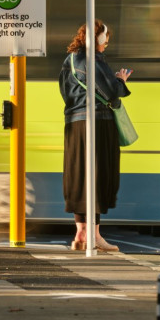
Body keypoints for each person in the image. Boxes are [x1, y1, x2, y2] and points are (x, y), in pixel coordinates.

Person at [59, 19, 132, 251]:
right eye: (105, 41)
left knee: (79, 176)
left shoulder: (69, 60)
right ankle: (96, 236)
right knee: (97, 175)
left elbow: (65, 91)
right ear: (99, 39)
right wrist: (120, 80)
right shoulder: (94, 60)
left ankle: (80, 233)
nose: (105, 46)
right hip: (97, 124)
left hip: (74, 123)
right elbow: (111, 92)